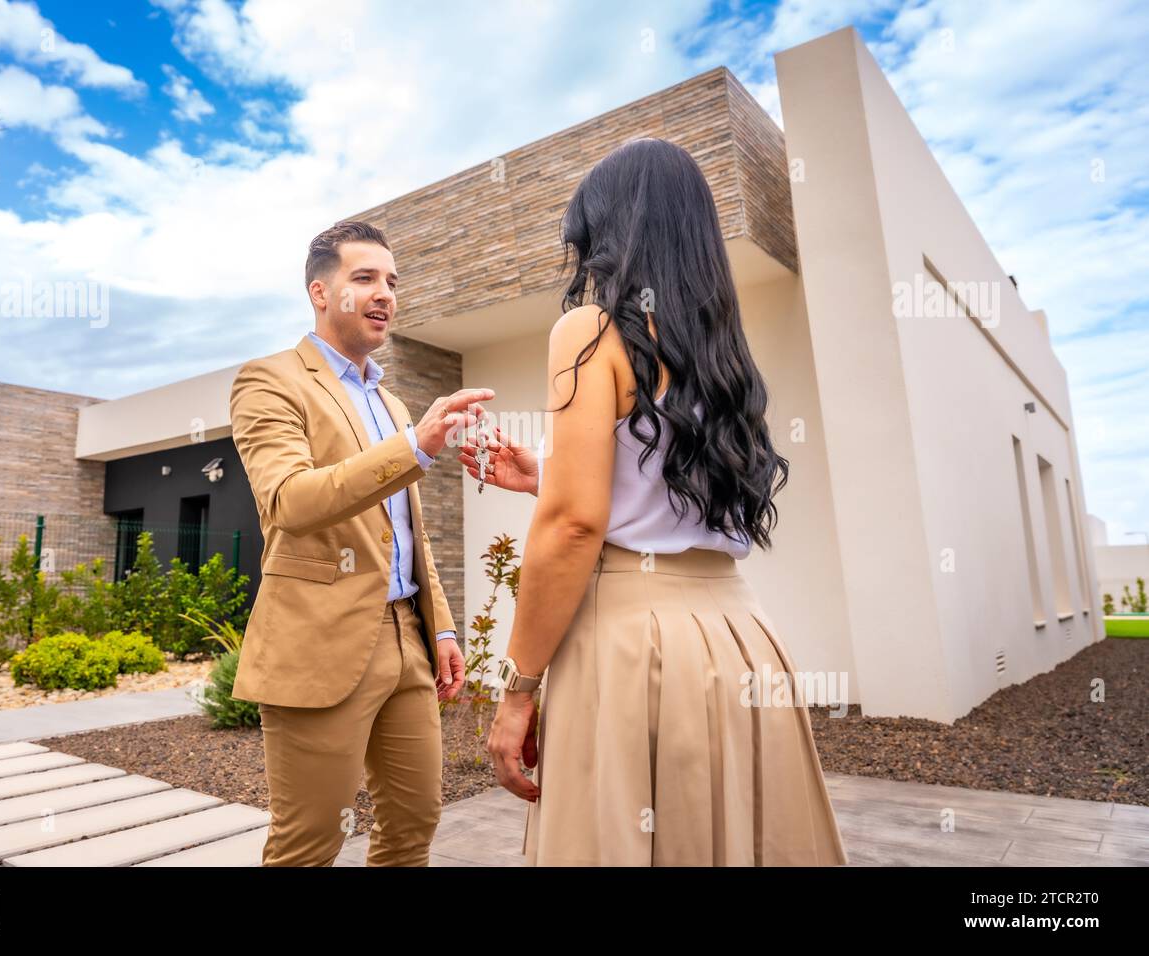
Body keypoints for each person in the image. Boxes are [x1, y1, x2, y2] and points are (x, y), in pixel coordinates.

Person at [460, 138, 849, 866]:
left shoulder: (589, 331)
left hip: (634, 646)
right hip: (740, 639)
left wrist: (518, 690)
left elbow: (577, 526)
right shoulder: (724, 352)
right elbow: (668, 493)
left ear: (608, 231)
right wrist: (547, 472)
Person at [230, 219, 490, 865]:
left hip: (408, 638)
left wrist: (445, 629)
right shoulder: (270, 380)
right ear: (321, 292)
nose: (385, 294)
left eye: (393, 281)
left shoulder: (395, 405)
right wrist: (415, 448)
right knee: (309, 843)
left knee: (414, 825)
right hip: (320, 641)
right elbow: (290, 500)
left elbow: (408, 533)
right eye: (365, 278)